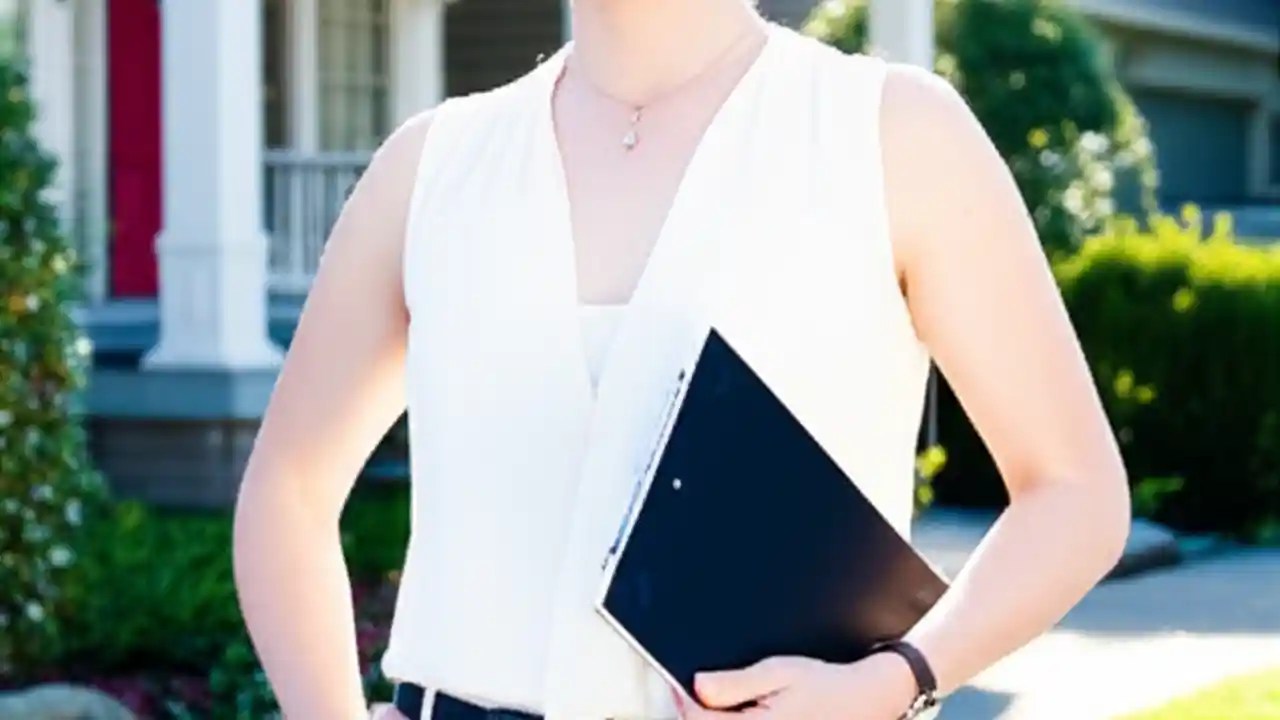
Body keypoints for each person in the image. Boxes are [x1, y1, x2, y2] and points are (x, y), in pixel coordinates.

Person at [232, 0, 1131, 718]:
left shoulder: (889, 133)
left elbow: (1076, 492)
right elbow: (288, 490)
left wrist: (897, 679)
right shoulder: (433, 169)